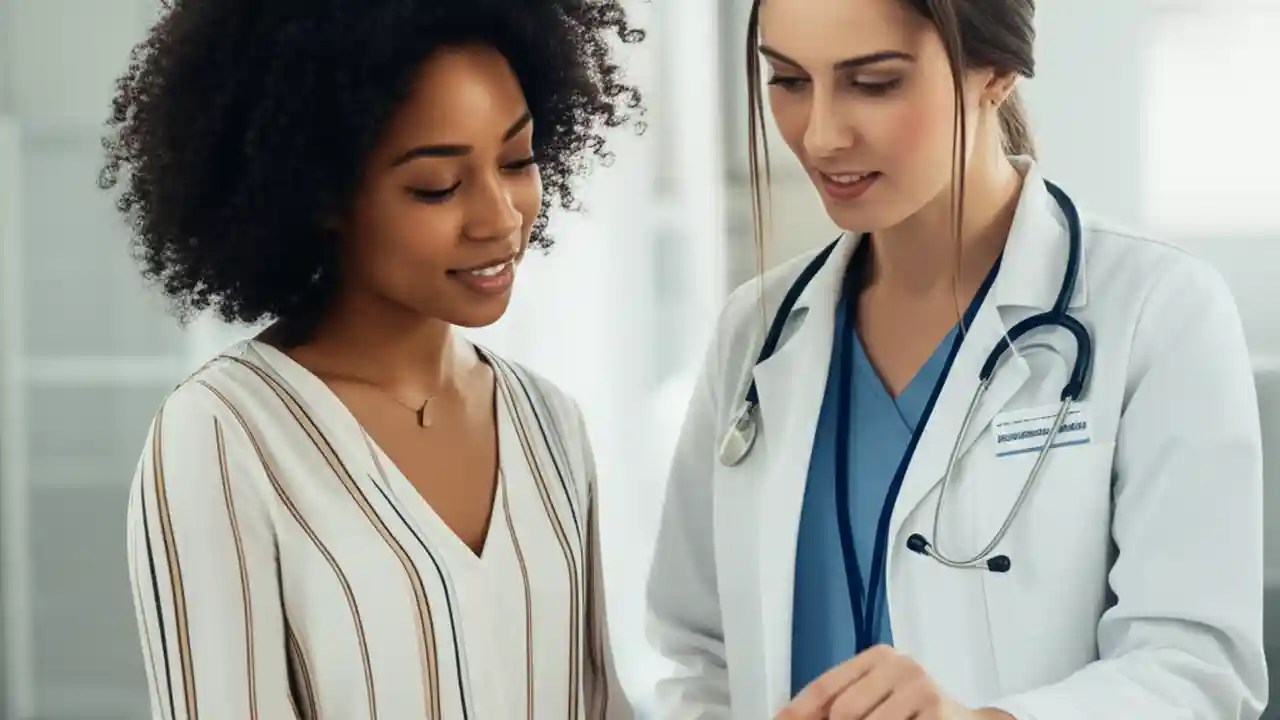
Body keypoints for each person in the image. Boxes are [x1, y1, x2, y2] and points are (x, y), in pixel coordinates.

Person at [646, 0, 1267, 718]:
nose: (819, 135)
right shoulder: (754, 331)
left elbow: (1195, 669)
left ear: (996, 71)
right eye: (788, 80)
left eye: (873, 83)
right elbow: (701, 657)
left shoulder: (1157, 309)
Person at [102, 1, 642, 717]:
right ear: (321, 193)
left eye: (517, 161)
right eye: (437, 186)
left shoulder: (550, 425)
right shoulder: (222, 436)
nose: (501, 217)